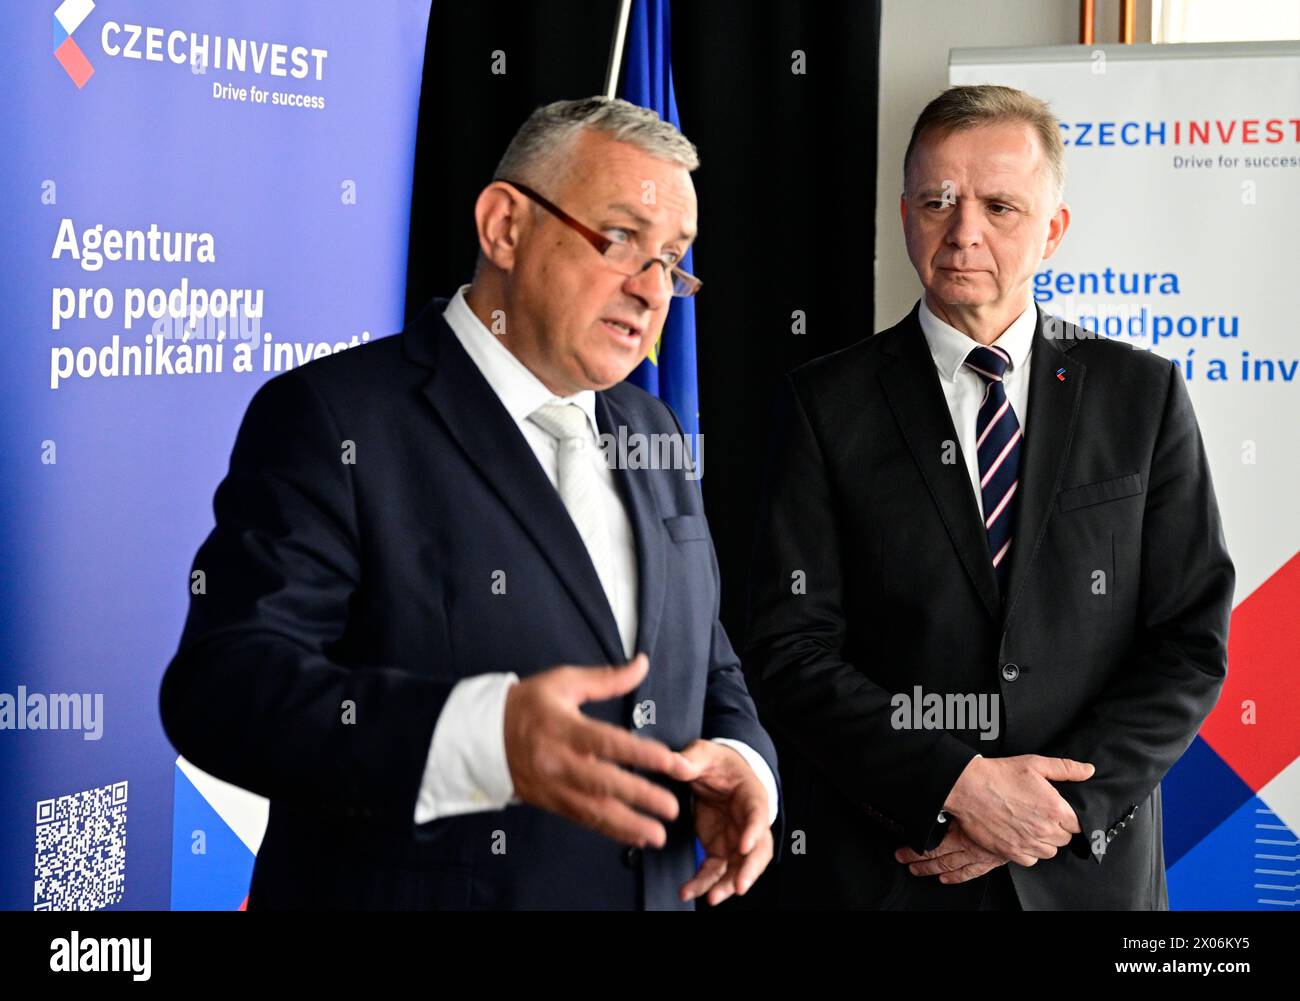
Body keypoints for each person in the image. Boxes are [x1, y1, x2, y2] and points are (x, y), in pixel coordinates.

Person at [160, 97, 779, 910]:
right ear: (504, 227)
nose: (650, 289)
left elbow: (701, 647)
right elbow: (224, 689)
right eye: (621, 238)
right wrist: (484, 738)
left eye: (673, 260)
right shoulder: (334, 418)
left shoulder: (650, 423)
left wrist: (742, 757)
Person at [744, 84, 1233, 910]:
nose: (963, 231)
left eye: (1000, 205)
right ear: (905, 214)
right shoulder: (824, 406)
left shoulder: (1141, 396)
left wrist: (1057, 810)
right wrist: (957, 784)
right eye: (938, 200)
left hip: (1089, 874)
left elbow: (1189, 641)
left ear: (1054, 230)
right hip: (894, 868)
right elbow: (790, 650)